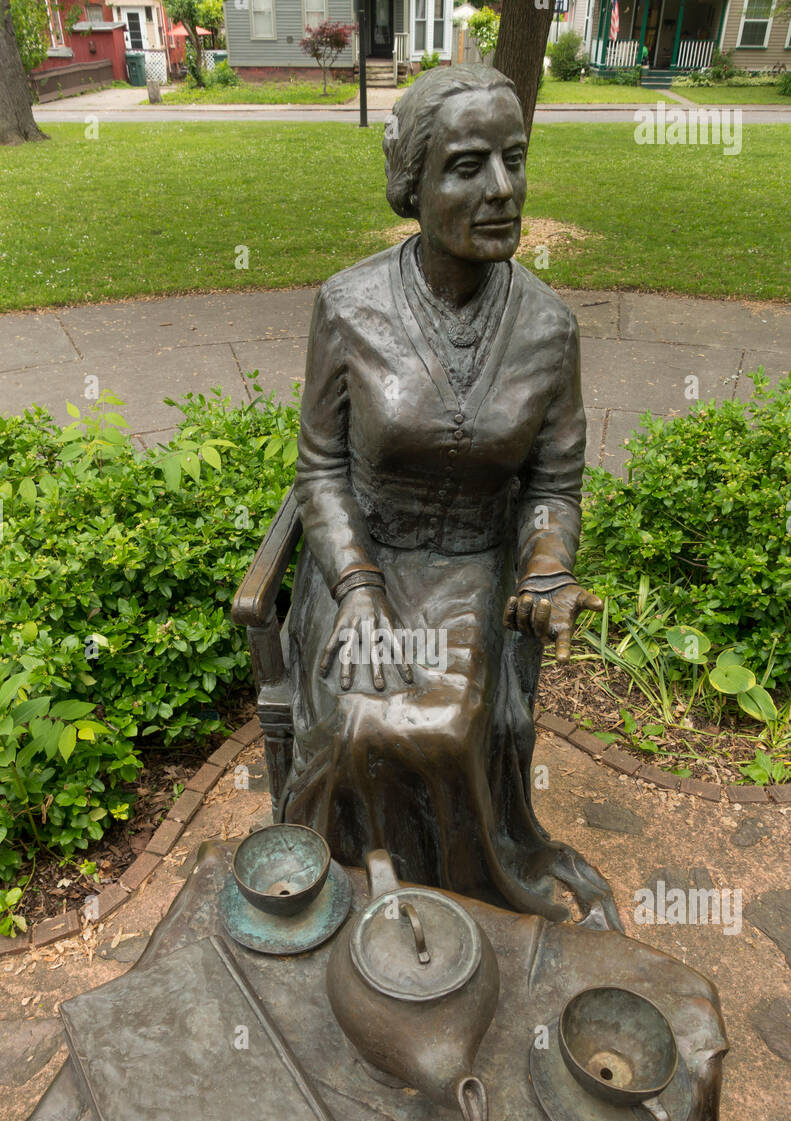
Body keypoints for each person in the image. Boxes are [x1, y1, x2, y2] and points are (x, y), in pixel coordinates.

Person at [282, 63, 619, 928]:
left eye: (515, 159)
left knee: (441, 728)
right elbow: (318, 471)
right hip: (364, 564)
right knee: (362, 720)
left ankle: (462, 913)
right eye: (469, 166)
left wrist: (546, 571)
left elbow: (553, 481)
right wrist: (355, 591)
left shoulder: (550, 327)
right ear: (415, 183)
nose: (503, 189)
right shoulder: (349, 306)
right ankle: (354, 898)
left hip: (474, 559)